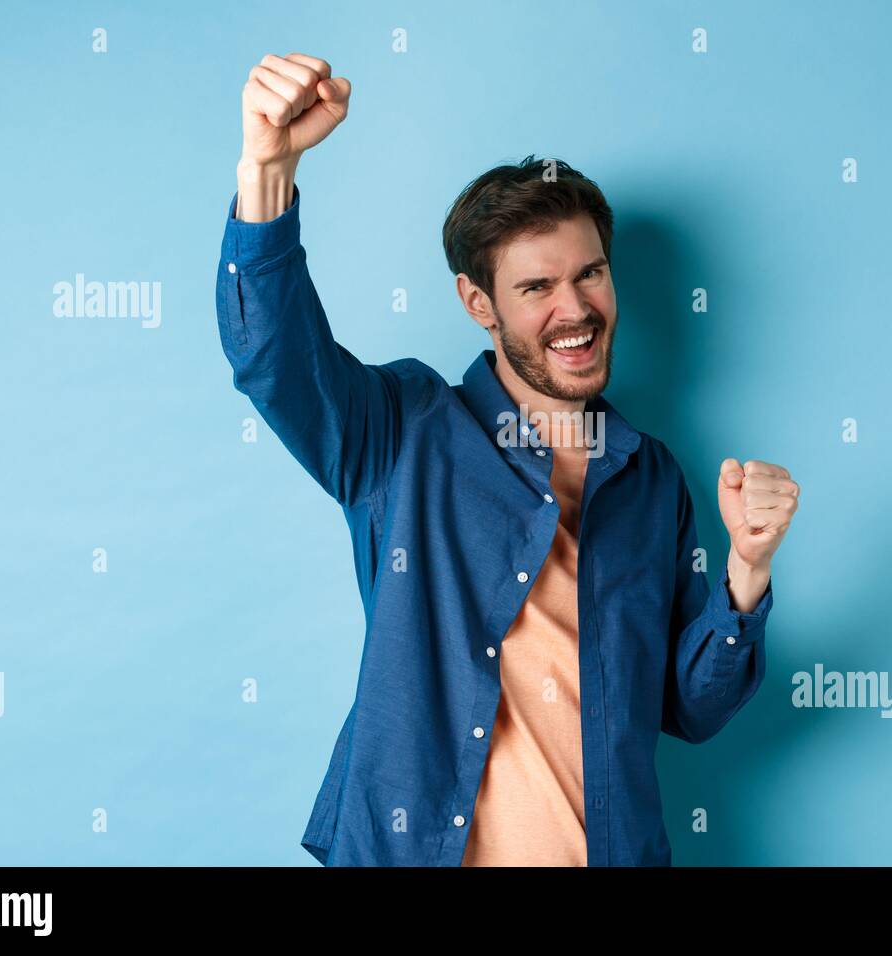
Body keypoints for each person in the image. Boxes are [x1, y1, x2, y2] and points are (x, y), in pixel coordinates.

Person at [215, 52, 800, 866]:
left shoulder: (652, 475)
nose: (576, 309)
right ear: (477, 303)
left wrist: (747, 571)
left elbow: (689, 709)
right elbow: (272, 358)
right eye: (538, 288)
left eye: (591, 273)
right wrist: (266, 171)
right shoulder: (403, 431)